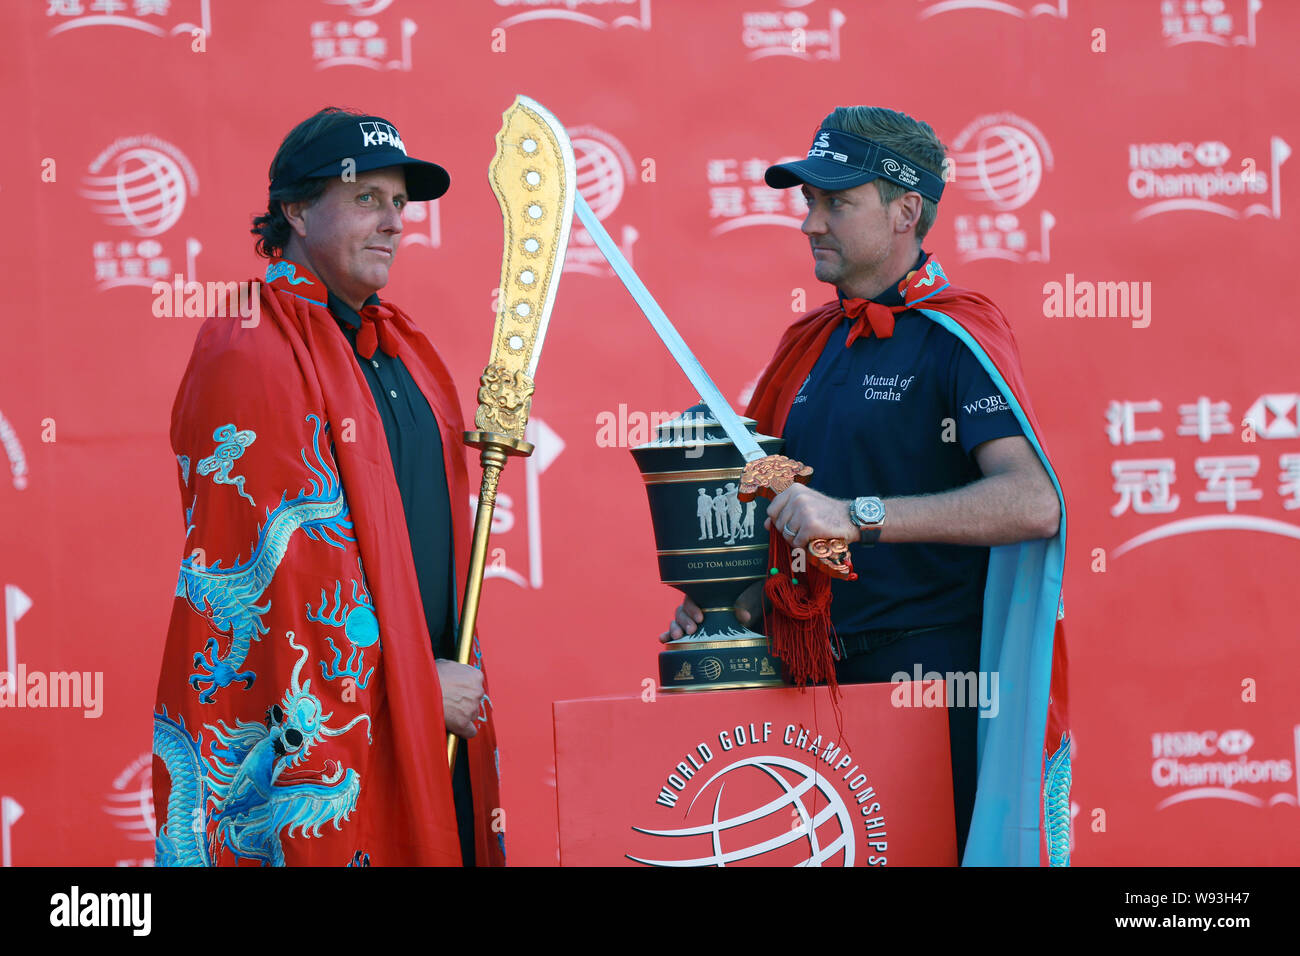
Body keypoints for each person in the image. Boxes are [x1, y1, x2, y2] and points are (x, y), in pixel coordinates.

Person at [661, 106, 1071, 866]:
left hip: (931, 683)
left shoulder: (958, 334)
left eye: (836, 202)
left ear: (905, 210)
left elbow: (1033, 502)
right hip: (817, 681)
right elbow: (789, 513)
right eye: (809, 202)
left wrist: (859, 516)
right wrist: (730, 602)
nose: (811, 222)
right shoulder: (812, 342)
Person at [152, 107, 504, 867]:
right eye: (366, 198)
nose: (393, 222)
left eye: (399, 203)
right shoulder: (249, 347)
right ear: (296, 209)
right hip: (336, 733)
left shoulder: (399, 345)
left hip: (436, 717)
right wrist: (415, 683)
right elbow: (286, 588)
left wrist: (438, 684)